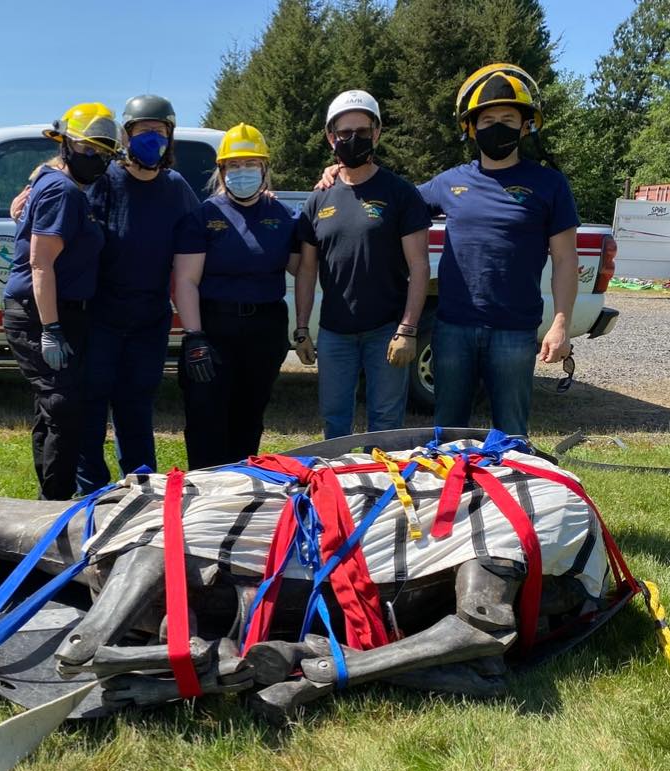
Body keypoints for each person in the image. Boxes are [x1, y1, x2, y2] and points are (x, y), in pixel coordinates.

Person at [419, 64, 578, 436]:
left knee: (511, 437)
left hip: (515, 332)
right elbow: (393, 205)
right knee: (447, 436)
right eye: (487, 119)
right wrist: (340, 178)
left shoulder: (550, 184)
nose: (497, 126)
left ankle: (512, 494)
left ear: (526, 126)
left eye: (508, 118)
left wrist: (560, 324)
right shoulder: (450, 182)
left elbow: (566, 259)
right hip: (453, 327)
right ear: (471, 128)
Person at [75, 94, 205, 492]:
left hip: (149, 321)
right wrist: (30, 187)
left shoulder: (176, 189)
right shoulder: (103, 181)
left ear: (170, 137)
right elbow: (63, 178)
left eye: (159, 131)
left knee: (136, 409)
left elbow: (197, 244)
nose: (152, 139)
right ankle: (90, 494)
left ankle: (142, 492)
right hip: (100, 319)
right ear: (125, 136)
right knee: (92, 408)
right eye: (143, 131)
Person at [294, 90, 431, 439]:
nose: (353, 140)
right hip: (334, 333)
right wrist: (301, 328)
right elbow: (307, 270)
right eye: (344, 133)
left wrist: (408, 329)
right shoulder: (318, 198)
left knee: (385, 426)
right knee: (335, 423)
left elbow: (419, 267)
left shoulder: (400, 193)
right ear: (330, 138)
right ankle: (339, 492)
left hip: (386, 331)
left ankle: (382, 491)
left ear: (377, 133)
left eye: (362, 132)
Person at [1, 102, 120, 500]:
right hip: (42, 315)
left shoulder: (62, 186)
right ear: (66, 145)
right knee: (64, 409)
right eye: (87, 149)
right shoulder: (63, 190)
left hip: (64, 313)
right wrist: (50, 328)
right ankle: (54, 507)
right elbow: (40, 264)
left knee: (54, 408)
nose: (95, 158)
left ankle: (49, 501)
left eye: (103, 152)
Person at [171, 123, 299, 469]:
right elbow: (185, 280)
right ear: (222, 171)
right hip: (214, 329)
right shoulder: (203, 216)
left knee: (249, 418)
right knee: (206, 420)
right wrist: (194, 337)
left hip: (265, 329)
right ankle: (203, 497)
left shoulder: (283, 215)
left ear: (265, 169)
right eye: (234, 166)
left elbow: (302, 266)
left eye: (251, 164)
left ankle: (243, 495)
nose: (243, 172)